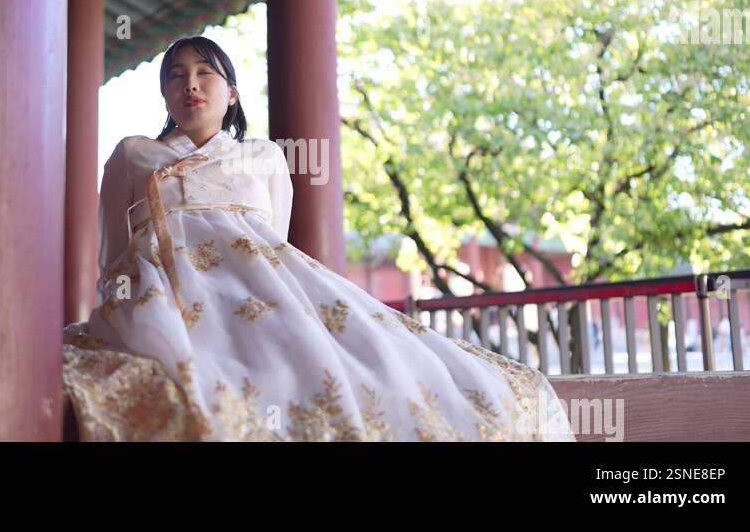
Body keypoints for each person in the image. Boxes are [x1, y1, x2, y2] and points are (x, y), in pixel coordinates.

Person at [61, 36, 575, 442]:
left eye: (204, 74)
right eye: (176, 76)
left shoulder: (261, 156)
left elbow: (270, 236)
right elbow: (113, 250)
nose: (189, 84)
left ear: (231, 93)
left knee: (367, 356)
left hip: (252, 277)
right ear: (165, 94)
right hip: (163, 279)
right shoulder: (133, 154)